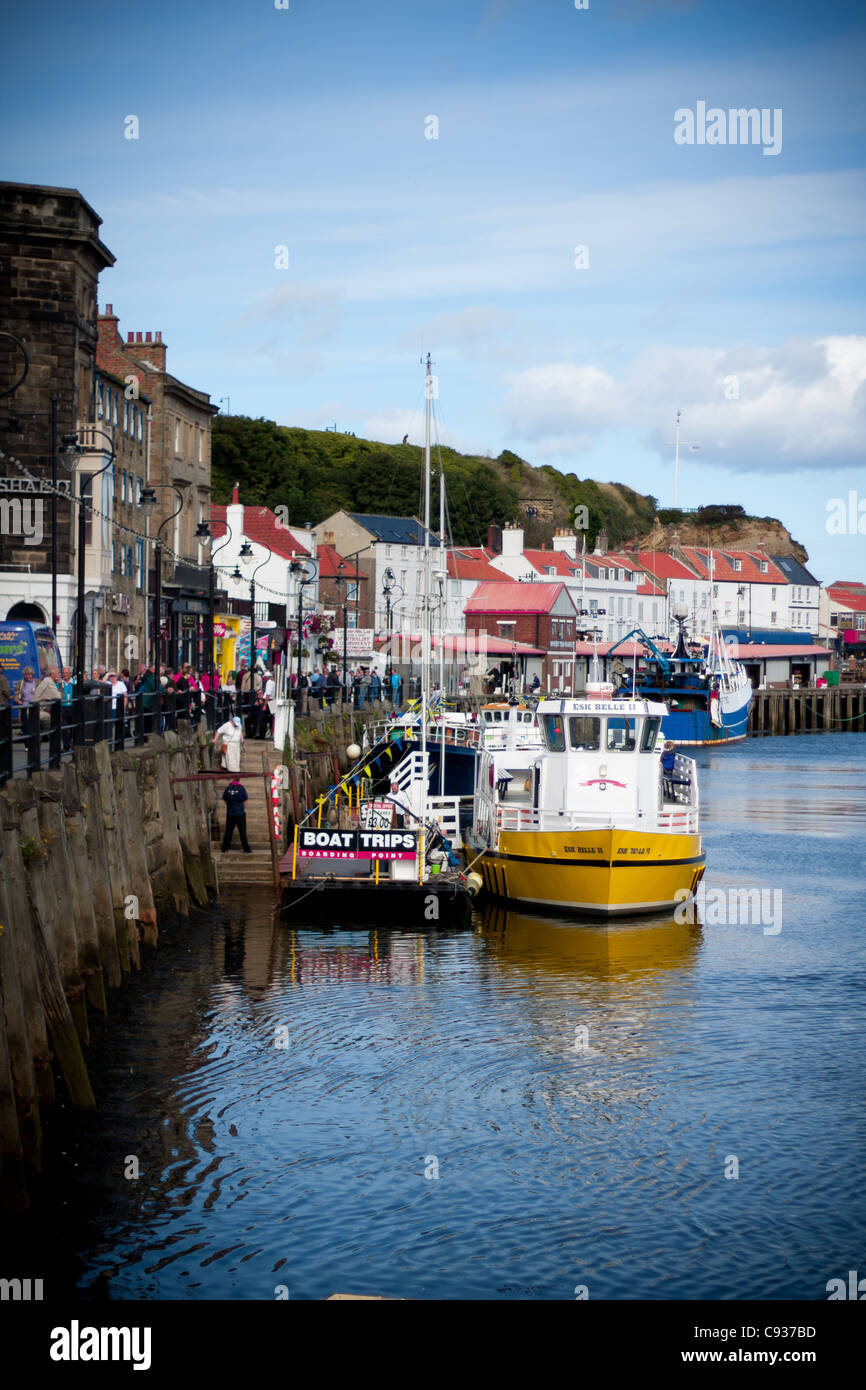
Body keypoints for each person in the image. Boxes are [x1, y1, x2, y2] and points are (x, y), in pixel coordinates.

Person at [221, 776, 251, 853]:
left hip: (230, 813)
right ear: (239, 780)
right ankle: (246, 848)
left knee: (229, 831)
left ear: (232, 779)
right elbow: (245, 800)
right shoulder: (242, 789)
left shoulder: (228, 788)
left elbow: (224, 799)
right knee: (242, 831)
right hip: (240, 813)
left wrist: (229, 806)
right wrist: (241, 808)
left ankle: (225, 848)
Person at [13, 665, 38, 734]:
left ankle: (33, 740)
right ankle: (27, 741)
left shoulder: (37, 682)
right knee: (26, 726)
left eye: (30, 674)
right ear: (24, 675)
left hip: (34, 706)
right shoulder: (21, 682)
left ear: (32, 674)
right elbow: (16, 694)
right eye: (26, 675)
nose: (28, 676)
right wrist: (17, 700)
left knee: (33, 725)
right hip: (24, 707)